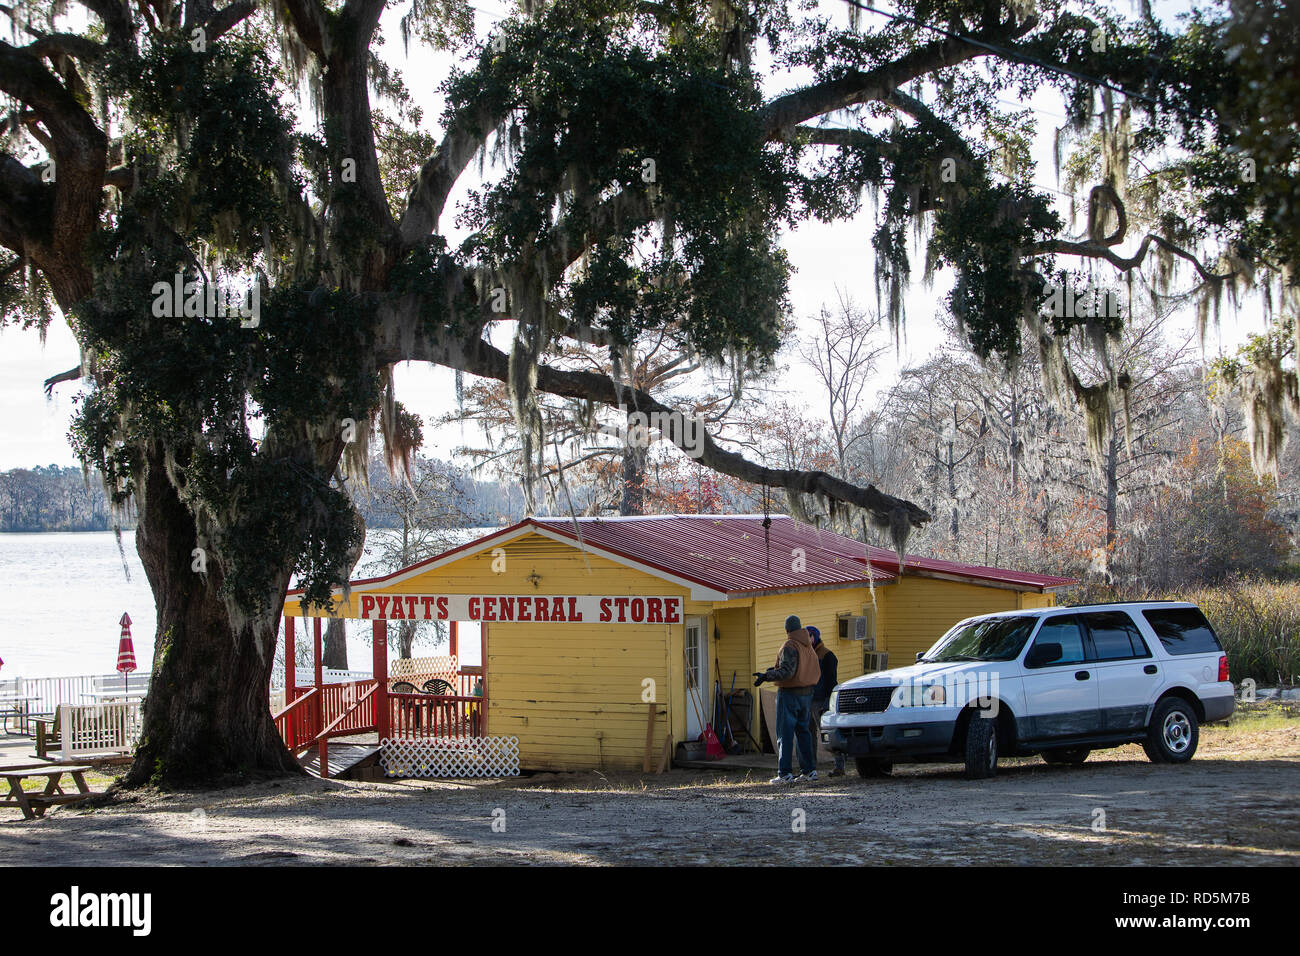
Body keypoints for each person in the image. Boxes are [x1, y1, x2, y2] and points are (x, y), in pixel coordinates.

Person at [754, 615, 820, 783]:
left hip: (790, 694)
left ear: (787, 629)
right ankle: (809, 771)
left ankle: (784, 773)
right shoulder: (809, 646)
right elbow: (798, 668)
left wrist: (766, 676)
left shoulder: (790, 645)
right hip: (807, 694)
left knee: (785, 734)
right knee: (804, 732)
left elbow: (787, 672)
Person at [808, 626, 846, 777]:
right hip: (808, 700)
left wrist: (827, 701)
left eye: (809, 636)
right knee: (809, 734)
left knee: (828, 733)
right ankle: (810, 767)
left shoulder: (827, 655)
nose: (807, 639)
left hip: (821, 701)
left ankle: (839, 766)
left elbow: (831, 681)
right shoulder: (807, 654)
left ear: (815, 637)